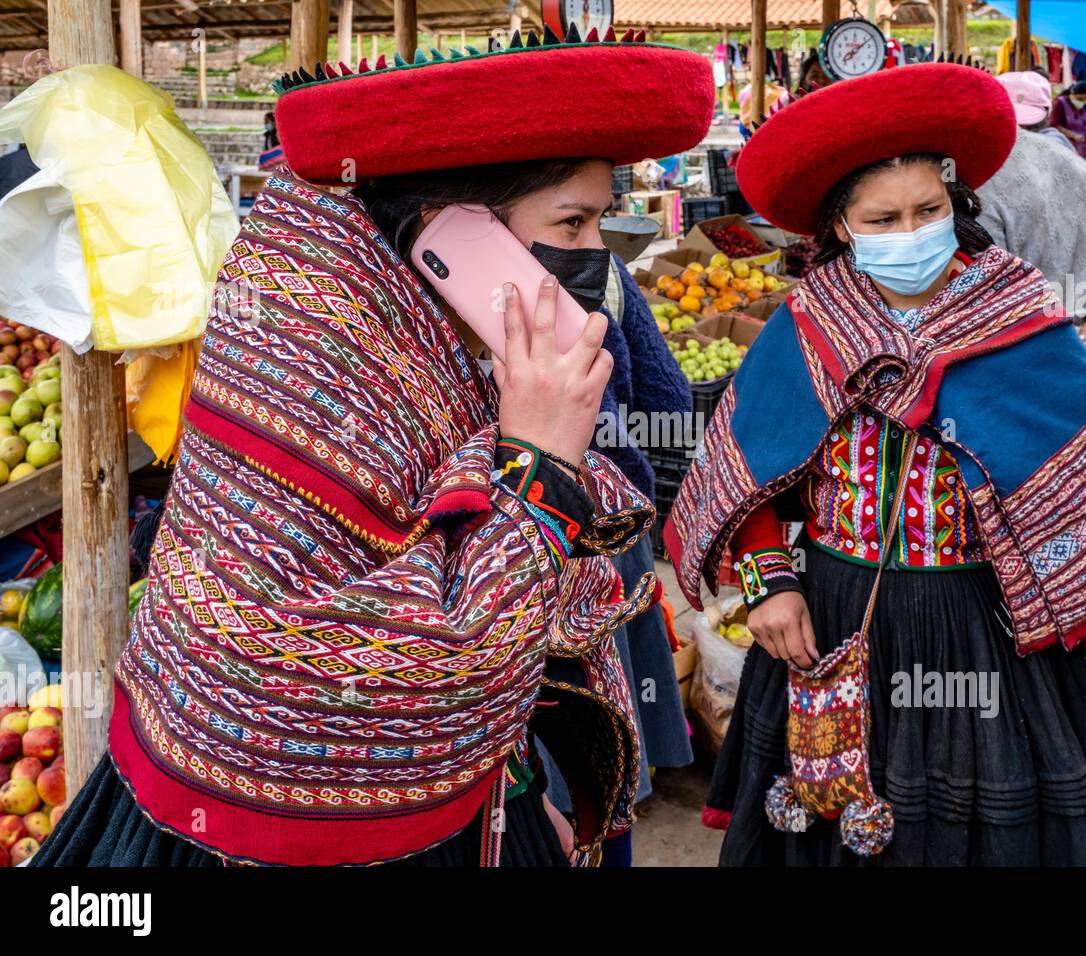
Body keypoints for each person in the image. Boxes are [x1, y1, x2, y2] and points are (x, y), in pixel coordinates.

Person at [33, 30, 716, 868]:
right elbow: (377, 689)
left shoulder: (435, 345)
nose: (592, 258)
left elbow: (490, 609)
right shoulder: (321, 367)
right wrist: (539, 466)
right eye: (572, 223)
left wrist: (528, 795)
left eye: (600, 222)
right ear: (453, 239)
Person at [667, 64, 1086, 867]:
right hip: (829, 620)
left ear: (955, 203)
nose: (911, 233)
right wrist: (769, 580)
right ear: (840, 228)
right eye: (883, 218)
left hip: (983, 629)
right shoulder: (810, 323)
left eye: (928, 211)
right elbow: (743, 465)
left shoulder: (1017, 311)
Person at [981, 71, 1086, 368]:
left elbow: (988, 290)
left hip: (1020, 359)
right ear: (1047, 115)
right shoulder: (1080, 168)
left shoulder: (981, 176)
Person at [1049, 79, 1086, 161]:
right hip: (1065, 146)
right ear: (1072, 94)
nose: (1082, 102)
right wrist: (1073, 135)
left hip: (1082, 150)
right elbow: (1054, 125)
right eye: (1080, 99)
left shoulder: (1085, 107)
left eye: (1085, 99)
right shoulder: (1059, 104)